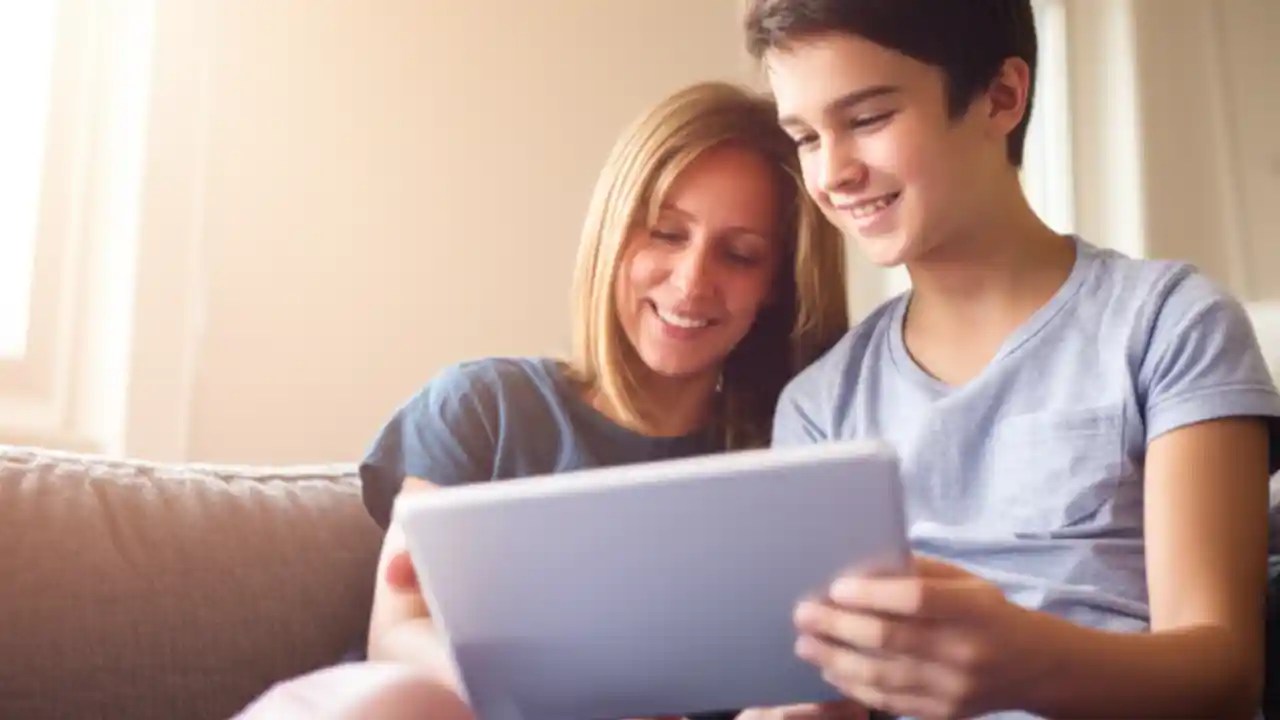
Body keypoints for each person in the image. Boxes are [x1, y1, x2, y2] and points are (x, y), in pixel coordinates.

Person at [237, 80, 850, 720]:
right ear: (614, 235)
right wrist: (552, 697)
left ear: (777, 285)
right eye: (667, 233)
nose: (693, 282)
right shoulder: (484, 408)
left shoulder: (784, 461)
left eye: (739, 254)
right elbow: (397, 633)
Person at [736, 1, 1280, 718]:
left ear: (1001, 97)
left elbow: (1224, 672)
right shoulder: (818, 405)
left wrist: (1025, 665)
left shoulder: (1169, 323)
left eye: (867, 120)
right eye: (806, 137)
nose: (834, 171)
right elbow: (826, 682)